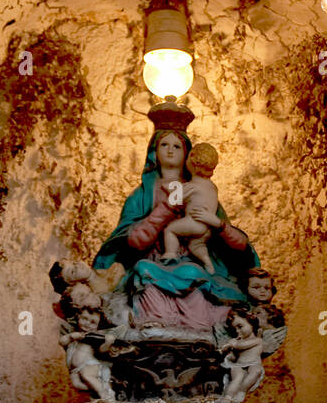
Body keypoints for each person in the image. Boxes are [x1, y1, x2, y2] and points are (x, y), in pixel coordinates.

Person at [92, 124, 259, 331]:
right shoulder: (142, 195)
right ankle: (156, 328)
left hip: (191, 262)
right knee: (146, 281)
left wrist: (217, 225)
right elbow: (134, 240)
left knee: (195, 285)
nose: (170, 150)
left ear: (188, 154)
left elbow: (237, 244)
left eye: (177, 146)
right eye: (164, 144)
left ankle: (196, 330)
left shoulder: (200, 189)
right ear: (154, 151)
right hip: (152, 262)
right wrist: (166, 208)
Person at [161, 143, 222, 273]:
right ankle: (208, 264)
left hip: (194, 222)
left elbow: (174, 200)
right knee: (196, 245)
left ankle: (170, 254)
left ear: (193, 164)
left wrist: (167, 187)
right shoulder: (212, 187)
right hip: (207, 227)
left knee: (170, 230)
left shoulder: (192, 186)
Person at [220, 307, 265, 403]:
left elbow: (242, 346)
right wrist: (228, 352)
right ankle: (228, 397)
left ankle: (242, 391)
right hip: (239, 365)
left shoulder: (257, 340)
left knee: (256, 371)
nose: (237, 331)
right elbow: (234, 355)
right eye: (234, 329)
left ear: (251, 323)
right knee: (238, 377)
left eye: (240, 326)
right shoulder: (237, 341)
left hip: (253, 363)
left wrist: (234, 344)